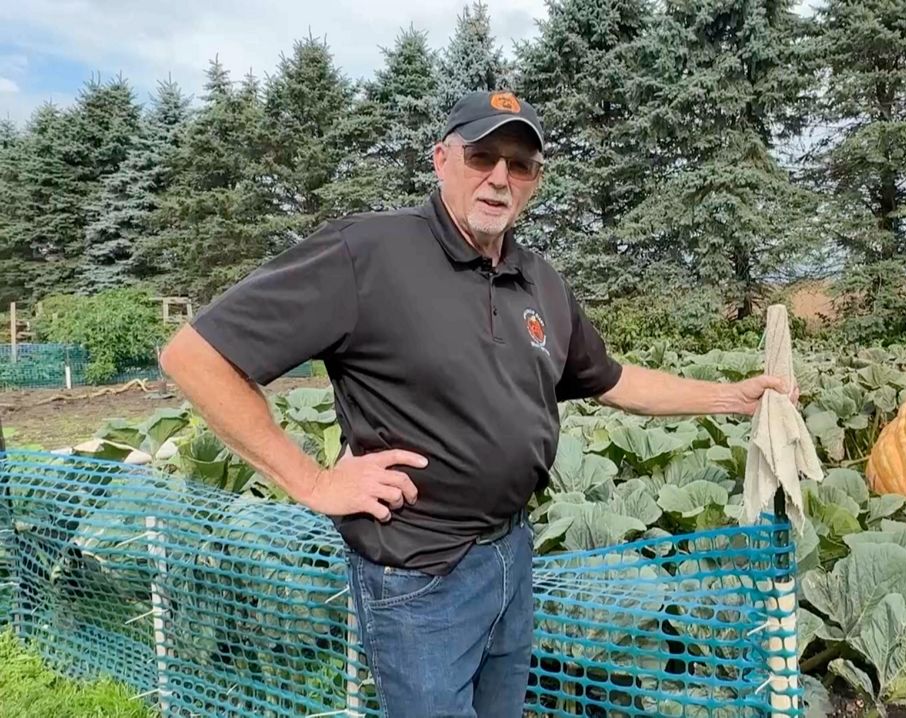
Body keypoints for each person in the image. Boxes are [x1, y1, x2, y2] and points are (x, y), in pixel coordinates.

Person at [158, 89, 794, 717]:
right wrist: (312, 482)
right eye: (481, 157)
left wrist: (731, 397)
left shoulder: (539, 279)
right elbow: (194, 357)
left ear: (534, 181)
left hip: (512, 555)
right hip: (419, 574)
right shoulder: (368, 252)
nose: (498, 179)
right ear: (442, 160)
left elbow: (613, 380)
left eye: (518, 165)